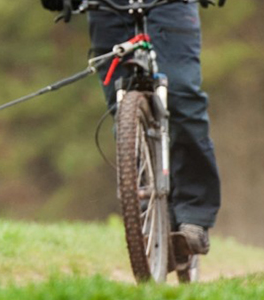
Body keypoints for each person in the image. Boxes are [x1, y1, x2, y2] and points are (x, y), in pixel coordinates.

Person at [42, 0, 222, 256]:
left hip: (171, 6)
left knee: (181, 96)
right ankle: (149, 208)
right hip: (106, 8)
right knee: (121, 105)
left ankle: (194, 213)